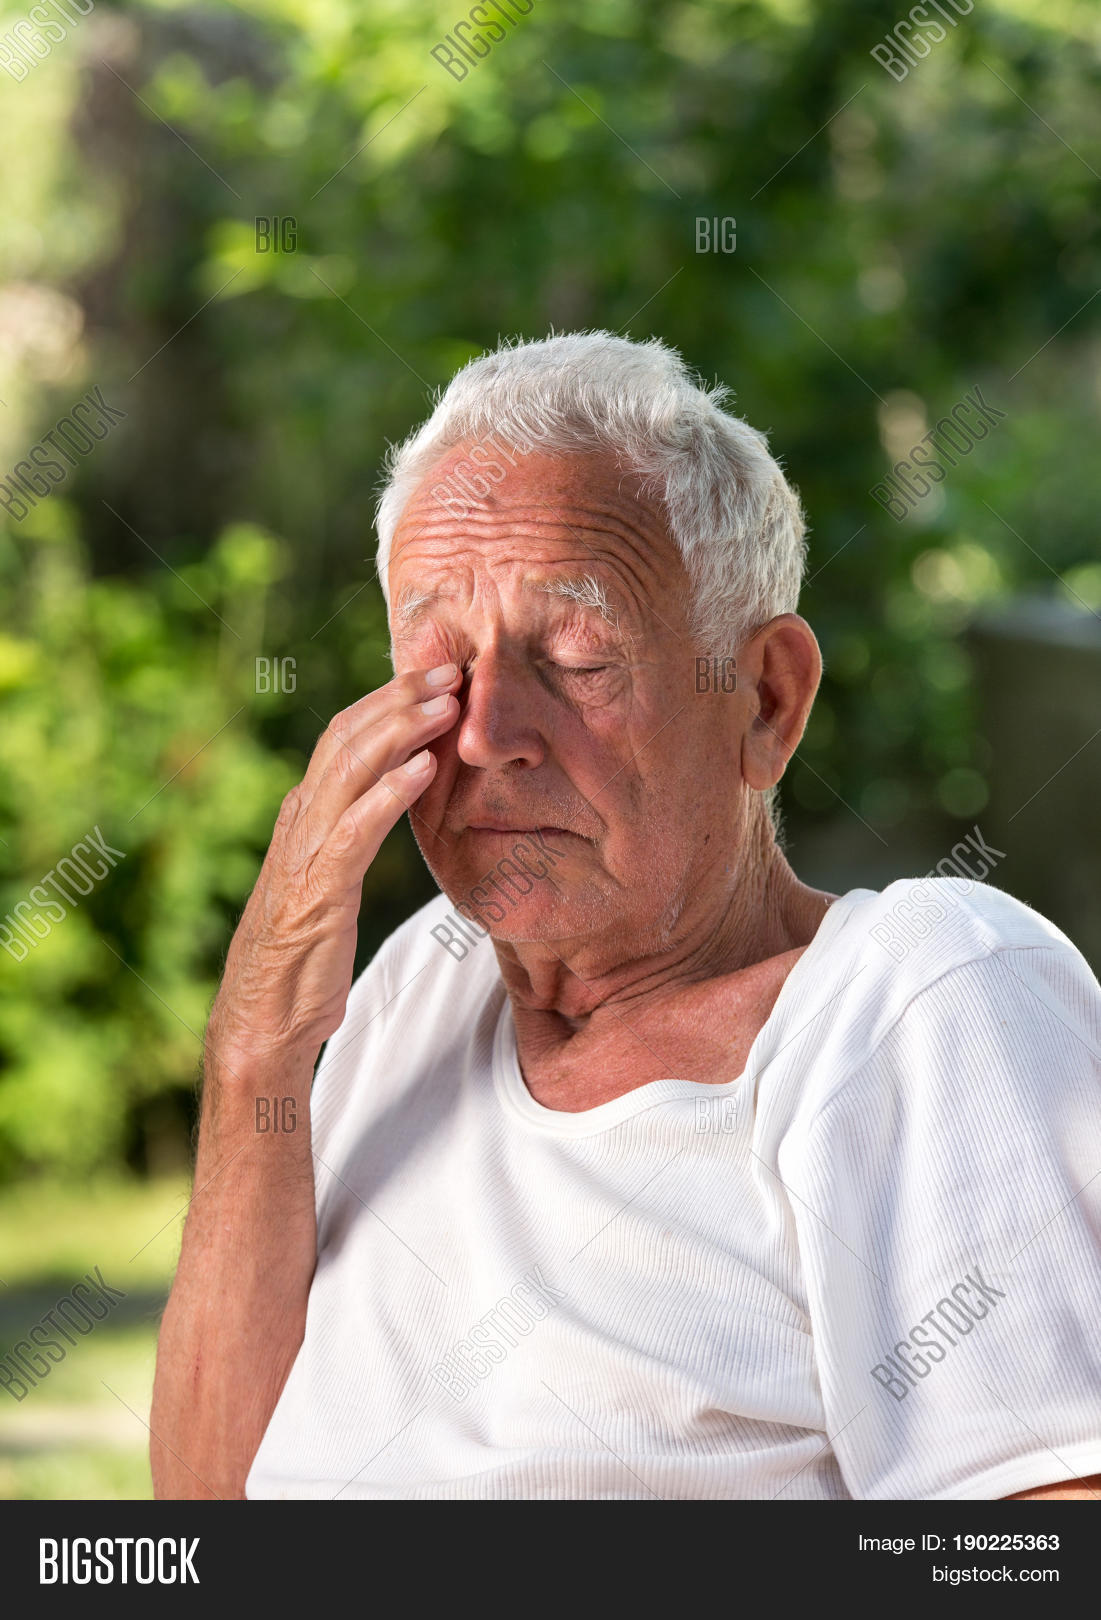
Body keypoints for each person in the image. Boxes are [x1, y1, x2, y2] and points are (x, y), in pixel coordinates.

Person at [150, 332, 1101, 1500]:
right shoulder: (414, 989)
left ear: (767, 700)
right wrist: (256, 1046)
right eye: (438, 665)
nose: (485, 733)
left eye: (578, 656)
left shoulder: (920, 998)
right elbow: (201, 1521)